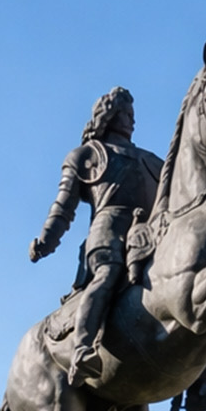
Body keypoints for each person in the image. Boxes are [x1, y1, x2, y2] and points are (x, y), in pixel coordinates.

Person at [30, 86, 165, 387]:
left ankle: (200, 384)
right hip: (108, 234)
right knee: (106, 276)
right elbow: (63, 208)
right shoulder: (86, 156)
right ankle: (82, 351)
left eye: (133, 115)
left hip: (150, 234)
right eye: (125, 114)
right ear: (108, 115)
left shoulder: (153, 161)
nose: (132, 121)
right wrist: (45, 242)